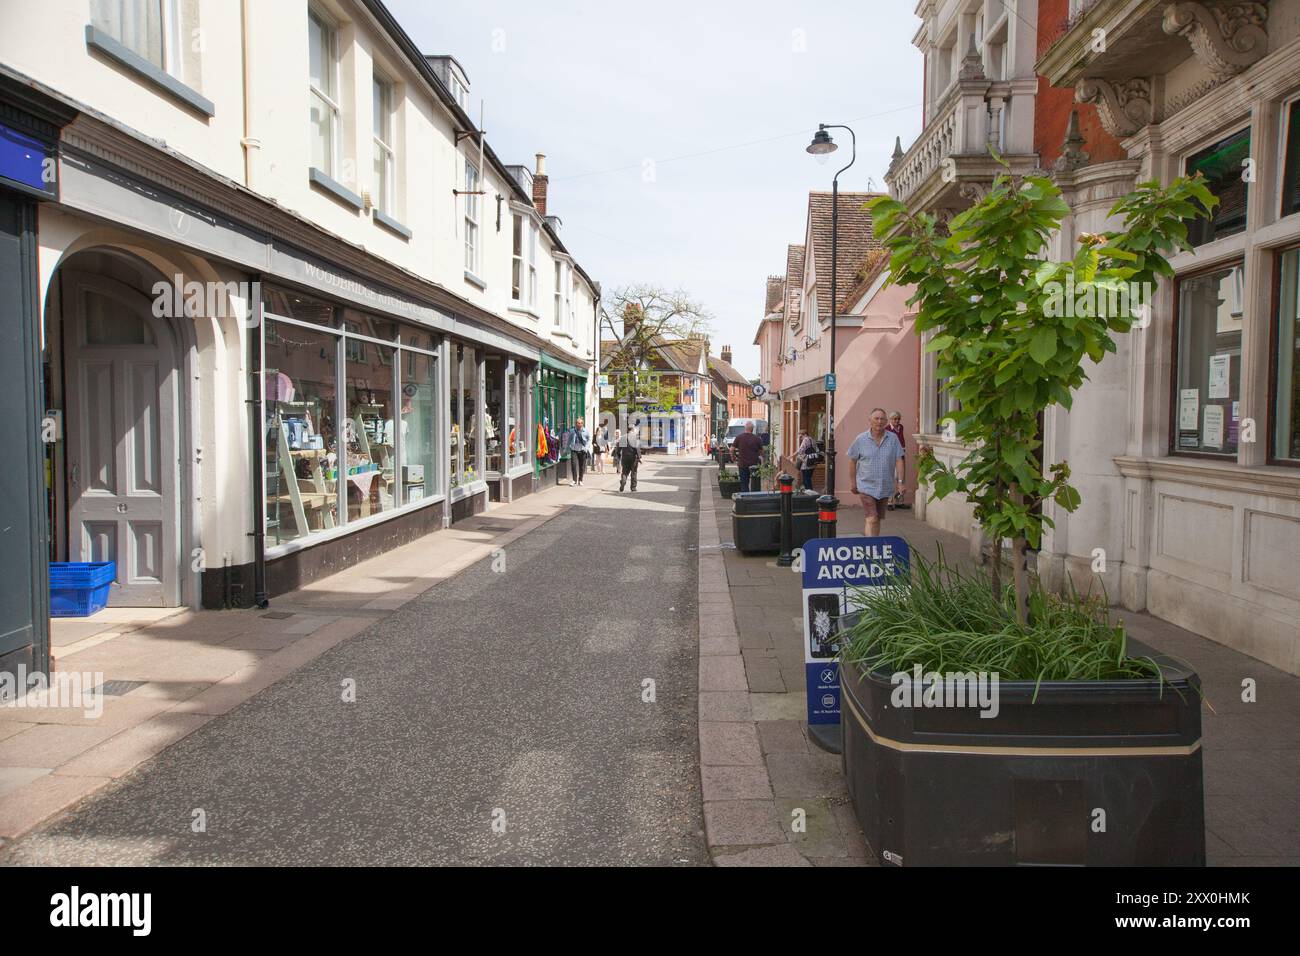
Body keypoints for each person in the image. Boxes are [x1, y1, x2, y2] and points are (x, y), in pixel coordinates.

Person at [847, 407, 905, 538]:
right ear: (870, 420)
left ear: (886, 421)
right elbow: (852, 461)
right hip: (866, 485)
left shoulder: (893, 439)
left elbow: (899, 460)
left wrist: (900, 482)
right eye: (876, 418)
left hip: (885, 485)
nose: (879, 421)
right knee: (872, 518)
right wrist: (853, 483)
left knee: (877, 519)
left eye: (882, 419)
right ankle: (870, 547)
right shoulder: (860, 439)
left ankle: (874, 544)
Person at [731, 421, 764, 493]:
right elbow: (761, 452)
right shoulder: (757, 438)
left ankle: (745, 499)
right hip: (754, 465)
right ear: (752, 429)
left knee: (744, 483)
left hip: (743, 464)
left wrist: (733, 457)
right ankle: (755, 497)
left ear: (745, 428)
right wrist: (761, 459)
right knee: (755, 483)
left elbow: (731, 449)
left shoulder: (739, 437)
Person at [886, 411, 907, 509]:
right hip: (891, 455)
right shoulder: (887, 429)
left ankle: (899, 501)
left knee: (901, 477)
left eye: (898, 419)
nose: (897, 421)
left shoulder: (901, 427)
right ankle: (890, 502)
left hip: (901, 454)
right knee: (891, 478)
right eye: (895, 419)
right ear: (890, 419)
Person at [616, 426, 642, 492]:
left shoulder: (623, 437)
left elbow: (618, 448)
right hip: (633, 458)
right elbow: (637, 448)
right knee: (634, 472)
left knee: (625, 472)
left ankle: (623, 481)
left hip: (625, 458)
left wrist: (618, 455)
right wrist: (640, 457)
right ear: (633, 430)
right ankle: (633, 488)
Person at [568, 417, 590, 486]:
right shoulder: (572, 431)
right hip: (574, 449)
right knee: (573, 465)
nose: (579, 424)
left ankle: (580, 480)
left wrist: (586, 447)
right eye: (578, 423)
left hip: (582, 449)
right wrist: (566, 449)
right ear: (576, 423)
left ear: (582, 424)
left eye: (580, 423)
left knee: (582, 466)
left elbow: (589, 439)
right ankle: (574, 480)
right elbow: (569, 440)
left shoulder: (585, 431)